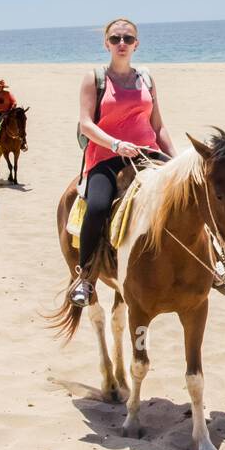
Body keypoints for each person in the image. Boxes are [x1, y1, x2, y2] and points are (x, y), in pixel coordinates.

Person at [71, 18, 176, 306]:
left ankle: (214, 263)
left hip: (147, 154)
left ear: (136, 45)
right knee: (98, 207)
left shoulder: (147, 79)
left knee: (188, 196)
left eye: (127, 39)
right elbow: (86, 125)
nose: (121, 44)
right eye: (116, 39)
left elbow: (158, 125)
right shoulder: (94, 78)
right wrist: (116, 144)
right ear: (106, 43)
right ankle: (85, 277)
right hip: (106, 157)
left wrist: (175, 161)